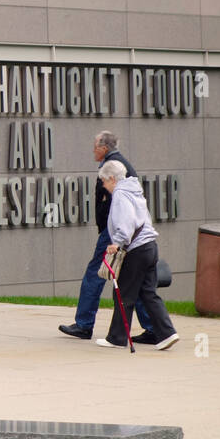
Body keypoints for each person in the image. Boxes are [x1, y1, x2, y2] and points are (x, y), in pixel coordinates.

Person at [60, 131, 156, 342]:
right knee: (132, 280)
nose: (93, 151)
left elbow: (115, 204)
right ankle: (153, 328)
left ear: (104, 148)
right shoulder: (122, 164)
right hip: (124, 233)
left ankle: (84, 324)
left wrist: (112, 236)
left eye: (95, 147)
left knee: (95, 273)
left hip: (115, 234)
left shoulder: (112, 168)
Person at [94, 160, 179, 351]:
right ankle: (167, 333)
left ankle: (116, 338)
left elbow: (126, 222)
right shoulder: (134, 191)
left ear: (112, 179)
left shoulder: (120, 195)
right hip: (150, 247)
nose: (104, 187)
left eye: (104, 182)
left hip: (136, 250)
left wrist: (117, 242)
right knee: (148, 293)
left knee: (123, 294)